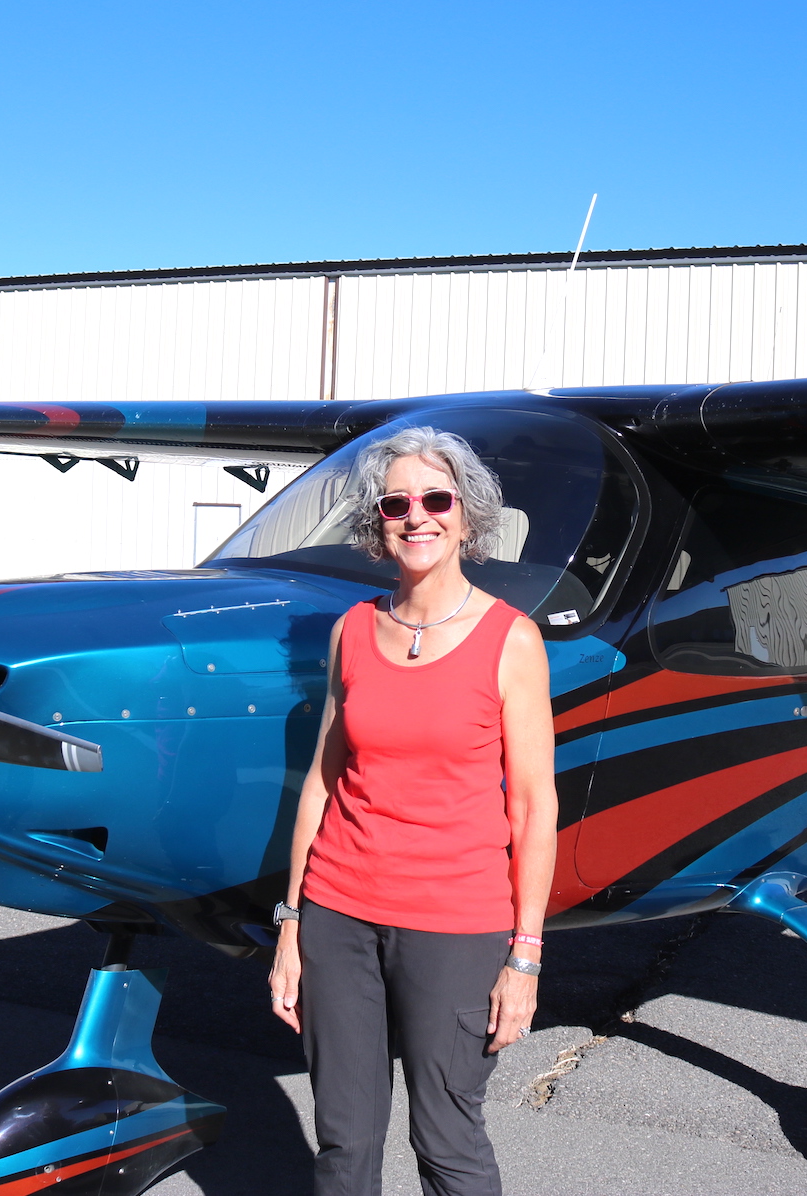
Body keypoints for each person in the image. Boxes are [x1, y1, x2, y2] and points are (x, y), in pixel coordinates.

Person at [268, 425, 559, 1196]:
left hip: (456, 926)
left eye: (436, 499)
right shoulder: (353, 631)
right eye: (396, 504)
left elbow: (534, 807)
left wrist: (525, 958)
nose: (416, 516)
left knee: (447, 1140)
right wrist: (291, 924)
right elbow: (322, 783)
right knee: (344, 1142)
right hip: (337, 916)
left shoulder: (511, 640)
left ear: (466, 516)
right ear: (378, 520)